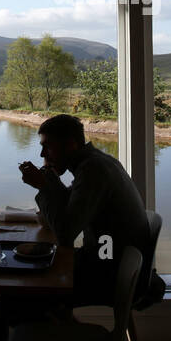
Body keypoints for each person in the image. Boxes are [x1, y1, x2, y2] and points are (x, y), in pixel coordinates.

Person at [18, 113, 150, 307]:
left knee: (18, 292)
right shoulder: (96, 161)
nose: (42, 155)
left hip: (112, 274)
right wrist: (50, 180)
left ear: (70, 145)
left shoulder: (93, 170)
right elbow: (68, 206)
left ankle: (57, 329)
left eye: (48, 147)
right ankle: (60, 325)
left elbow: (65, 234)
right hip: (114, 263)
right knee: (36, 269)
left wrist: (44, 187)